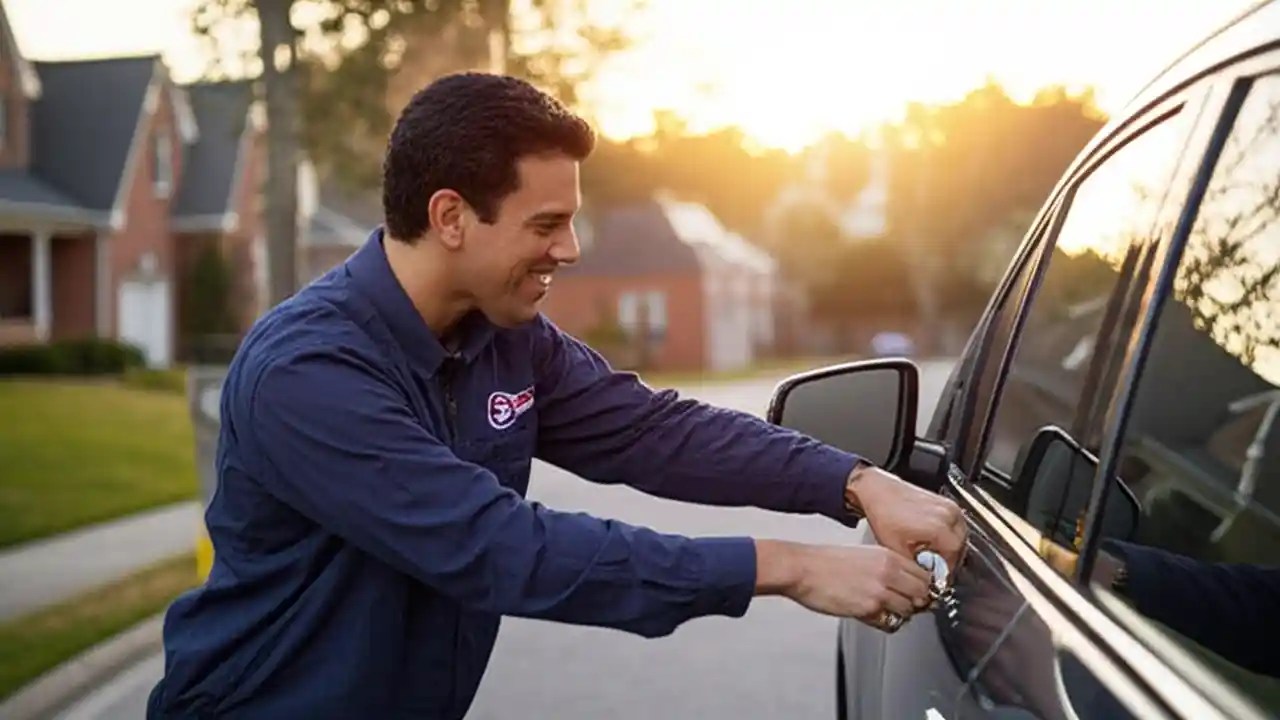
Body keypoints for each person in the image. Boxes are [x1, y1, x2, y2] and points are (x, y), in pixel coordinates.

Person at [146, 73, 967, 720]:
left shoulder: (503, 335)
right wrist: (784, 567)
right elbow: (500, 549)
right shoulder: (308, 372)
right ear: (451, 216)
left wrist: (855, 481)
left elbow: (653, 431)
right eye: (545, 224)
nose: (569, 250)